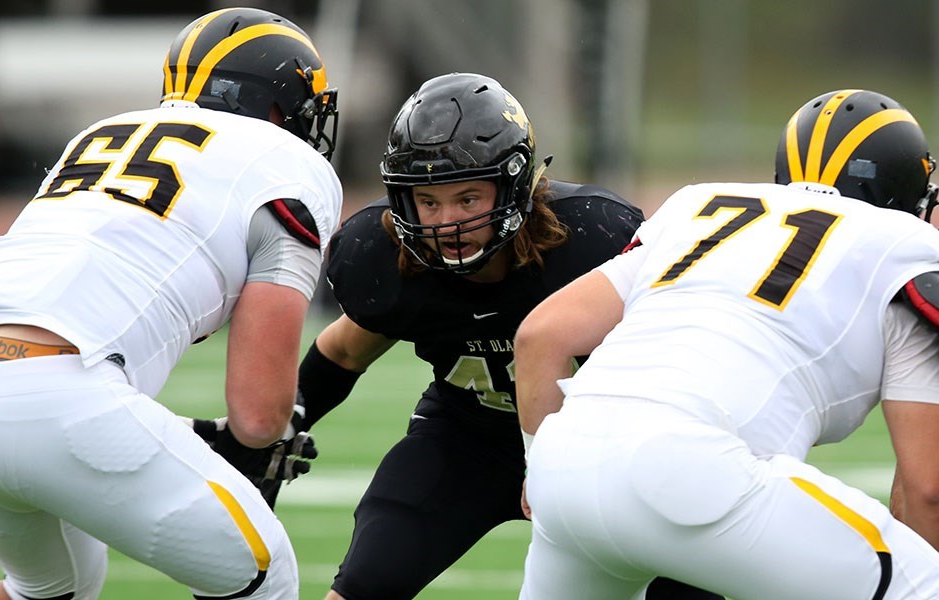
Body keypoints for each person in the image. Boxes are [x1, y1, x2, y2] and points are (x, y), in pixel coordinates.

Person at [0, 7, 341, 600]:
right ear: (279, 104)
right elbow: (259, 417)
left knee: (50, 590)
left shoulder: (104, 132)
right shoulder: (289, 165)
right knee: (262, 573)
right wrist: (253, 439)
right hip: (61, 396)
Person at [280, 72, 717, 600]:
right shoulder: (389, 259)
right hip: (468, 439)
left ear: (514, 186)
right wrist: (281, 426)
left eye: (468, 199)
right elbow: (345, 349)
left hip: (604, 445)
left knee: (688, 583)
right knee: (370, 576)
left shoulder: (591, 243)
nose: (448, 224)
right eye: (429, 201)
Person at [514, 88, 939, 599]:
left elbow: (540, 336)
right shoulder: (907, 246)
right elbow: (927, 491)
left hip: (564, 470)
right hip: (692, 470)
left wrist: (539, 468)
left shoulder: (697, 207)